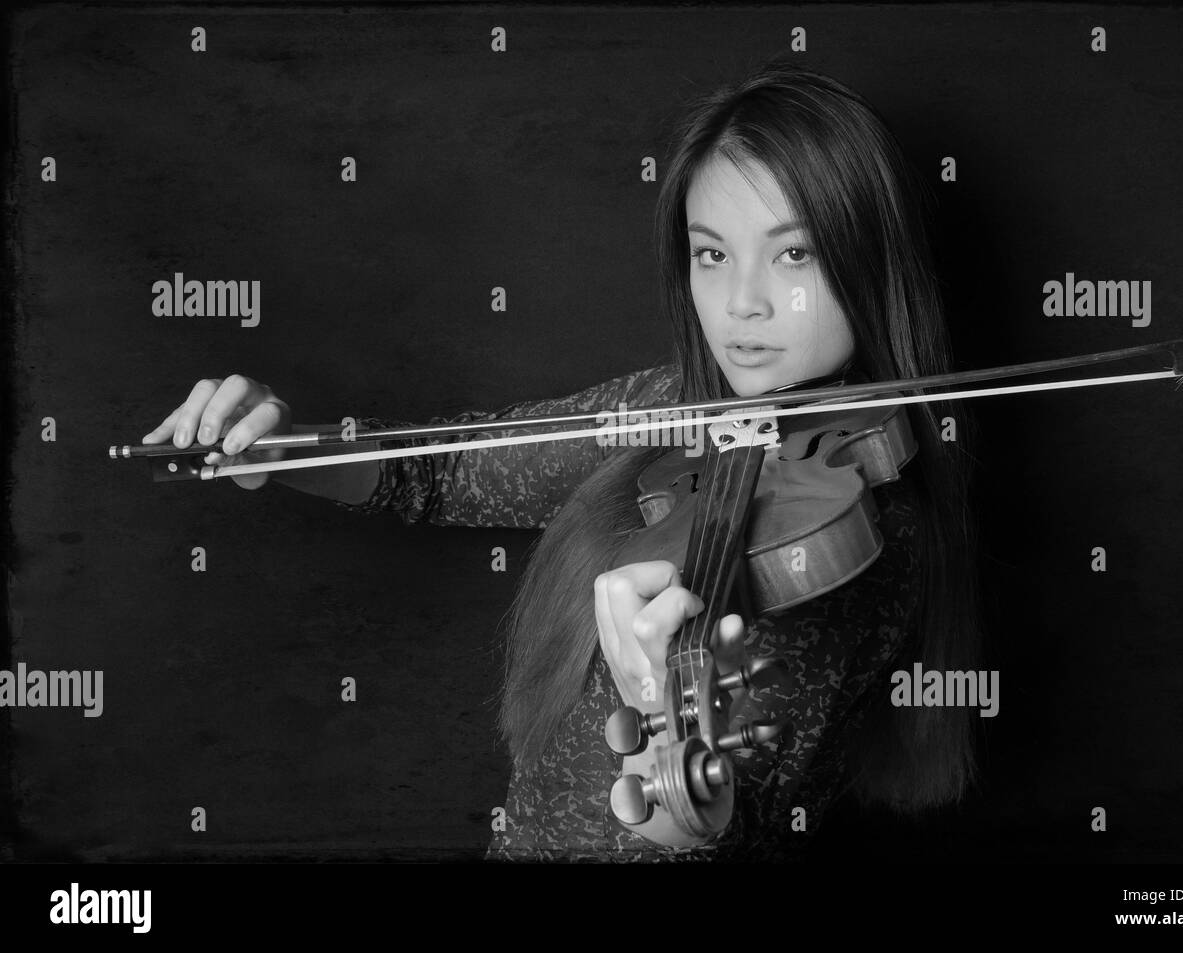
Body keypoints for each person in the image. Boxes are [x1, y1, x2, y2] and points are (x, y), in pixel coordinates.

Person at [142, 58, 983, 862]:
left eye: (794, 252)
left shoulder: (867, 534)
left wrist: (658, 713)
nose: (743, 303)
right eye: (712, 253)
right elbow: (438, 471)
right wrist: (289, 448)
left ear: (869, 260)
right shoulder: (676, 403)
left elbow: (721, 831)